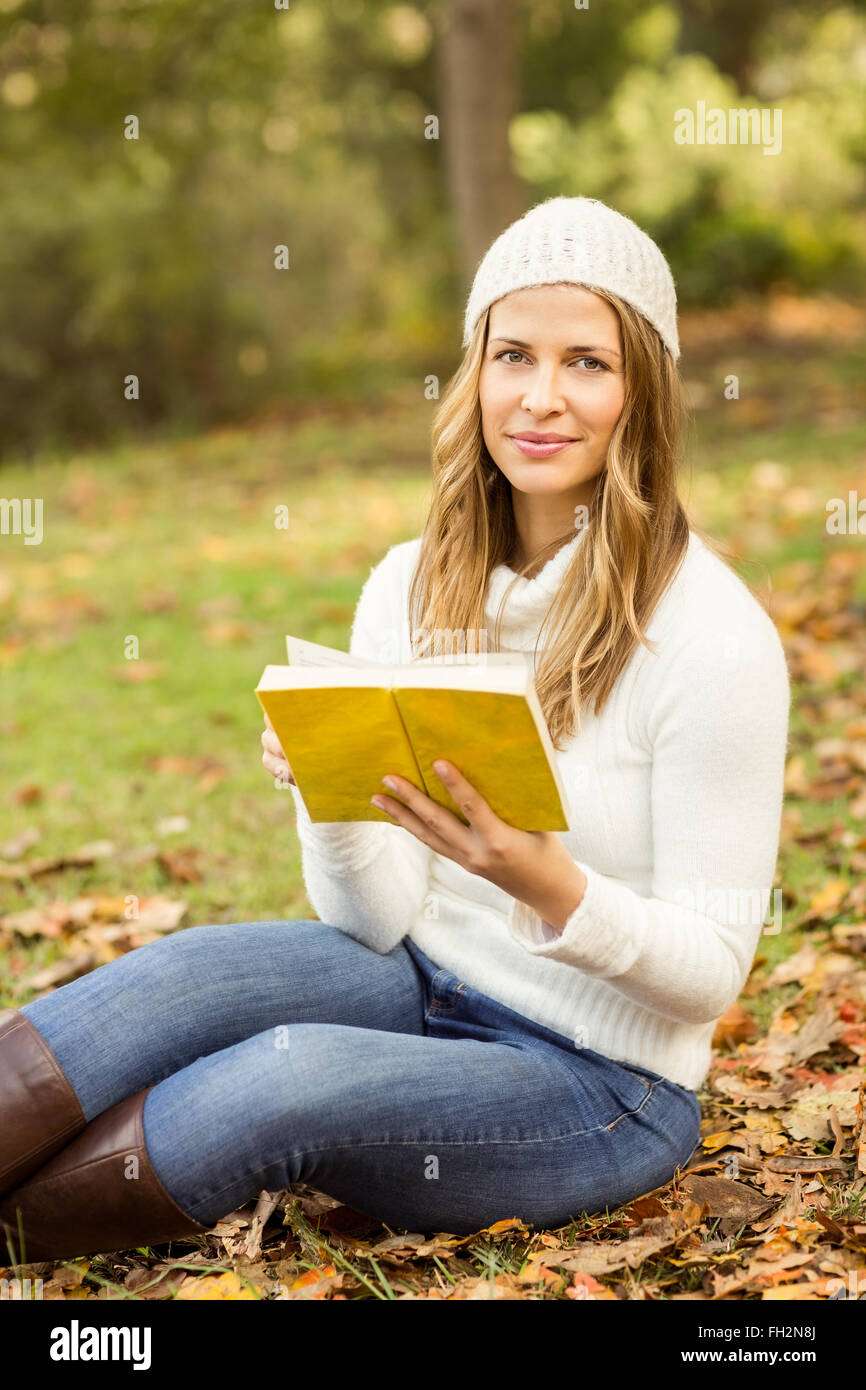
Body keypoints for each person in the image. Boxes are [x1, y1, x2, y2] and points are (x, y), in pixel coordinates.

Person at [0, 196, 790, 1263]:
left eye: (586, 363)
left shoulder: (711, 636)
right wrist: (328, 793)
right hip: (417, 977)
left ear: (641, 388)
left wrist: (540, 881)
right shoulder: (411, 585)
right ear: (475, 375)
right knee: (175, 979)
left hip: (601, 1081)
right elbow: (371, 920)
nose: (541, 398)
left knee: (282, 1078)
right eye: (512, 354)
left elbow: (710, 970)